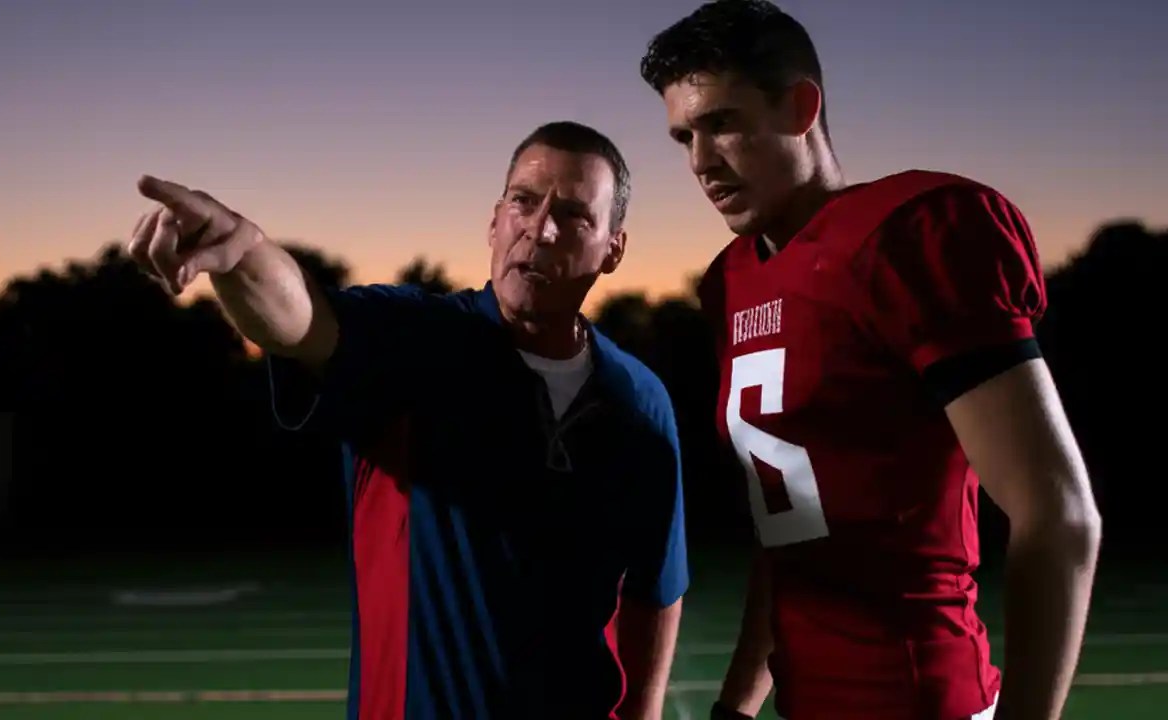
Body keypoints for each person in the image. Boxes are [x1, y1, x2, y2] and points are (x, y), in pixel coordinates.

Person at [125, 120, 688, 720]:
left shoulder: (639, 401)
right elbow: (302, 321)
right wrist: (243, 253)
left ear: (613, 249)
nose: (539, 228)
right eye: (523, 201)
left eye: (574, 214)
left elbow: (657, 585)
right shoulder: (416, 343)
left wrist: (645, 712)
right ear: (494, 221)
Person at [638, 2, 1102, 720]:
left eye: (722, 123)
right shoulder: (730, 280)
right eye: (683, 137)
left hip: (925, 698)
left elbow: (1060, 512)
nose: (700, 161)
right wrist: (736, 704)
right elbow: (790, 531)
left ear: (800, 106)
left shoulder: (910, 233)